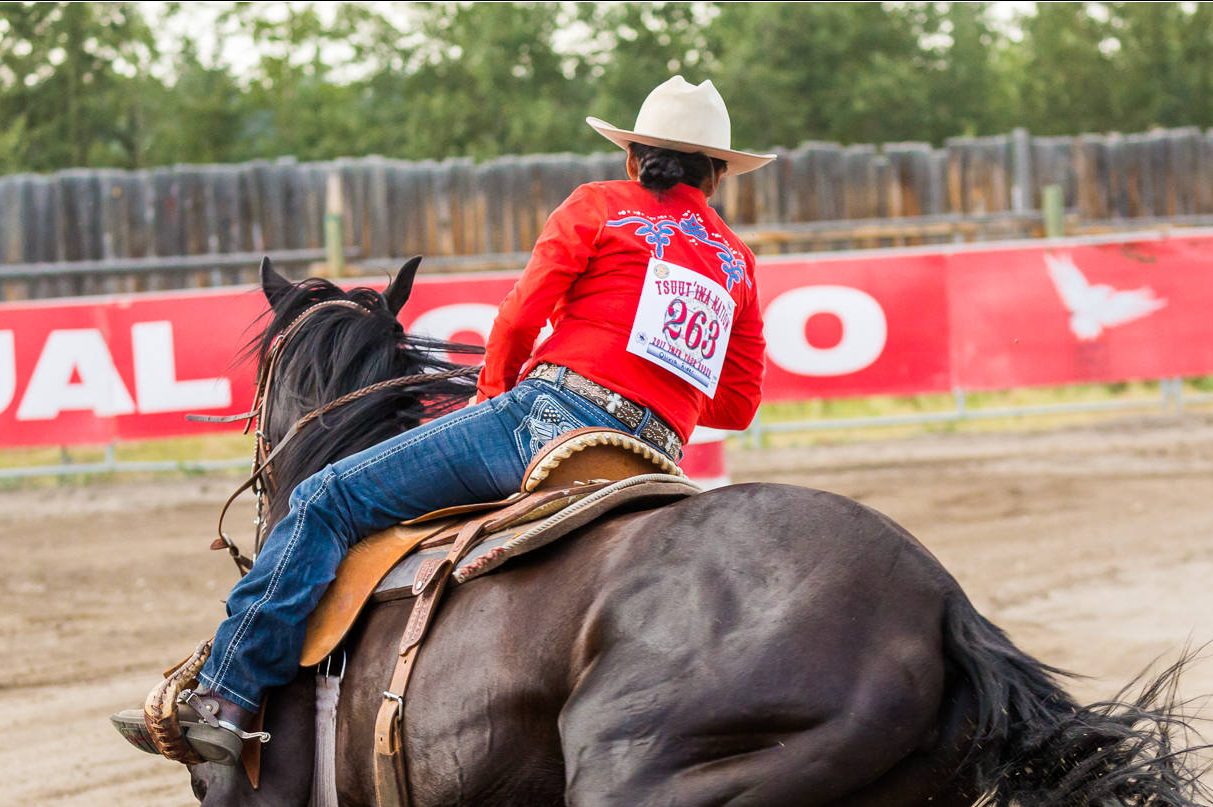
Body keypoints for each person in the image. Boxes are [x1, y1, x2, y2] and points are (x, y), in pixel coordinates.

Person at [137, 76, 773, 765]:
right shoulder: (736, 262)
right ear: (716, 176)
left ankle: (223, 696)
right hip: (652, 456)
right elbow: (739, 404)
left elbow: (522, 315)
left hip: (547, 422)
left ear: (633, 157)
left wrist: (496, 394)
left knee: (328, 498)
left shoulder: (598, 206)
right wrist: (650, 386)